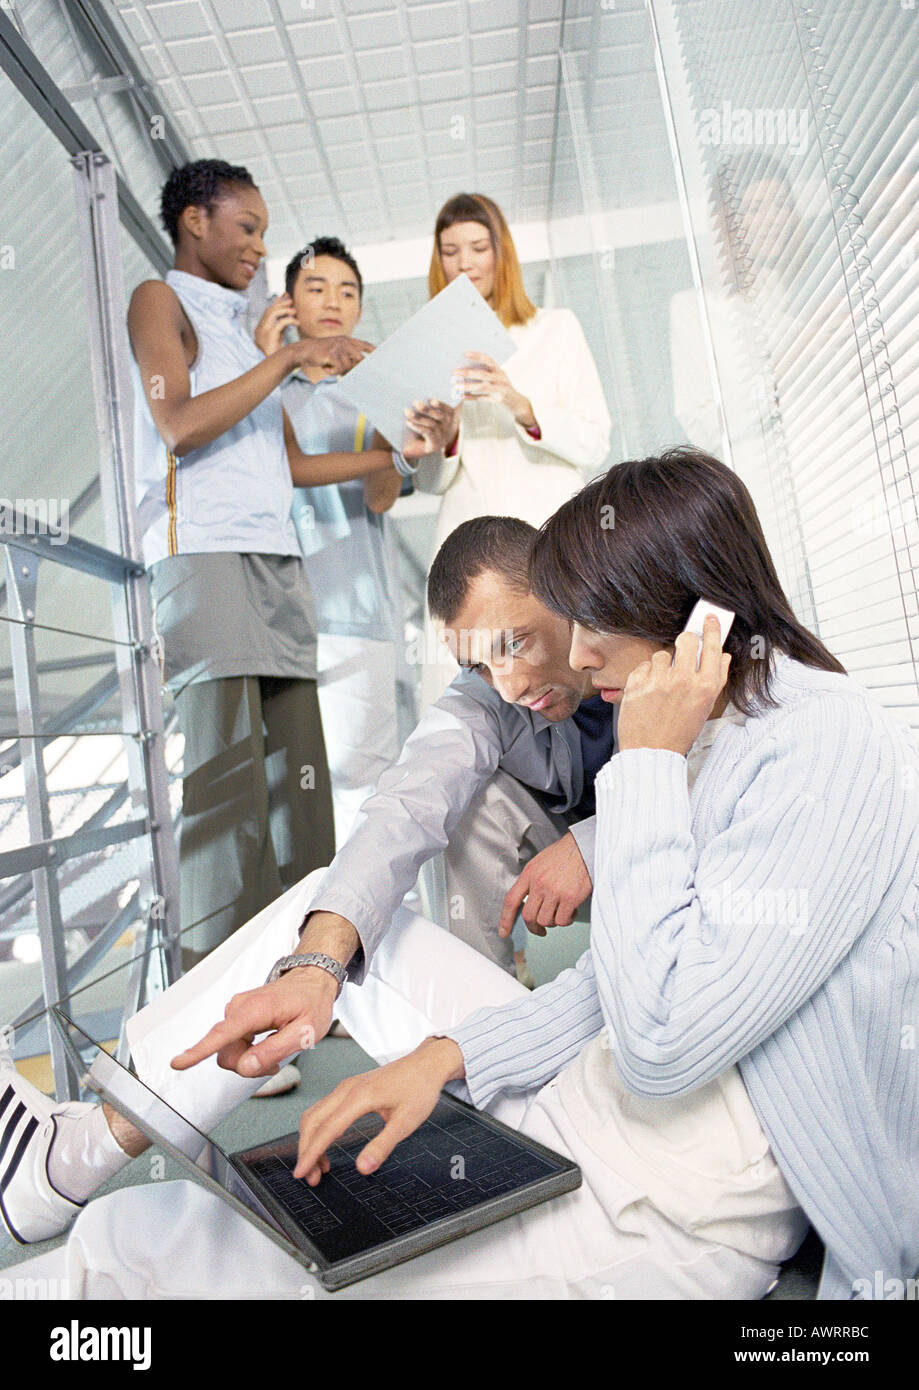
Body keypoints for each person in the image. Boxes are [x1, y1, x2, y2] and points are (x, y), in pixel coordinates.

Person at [14, 446, 914, 1298]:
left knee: (257, 1264)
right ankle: (84, 1155)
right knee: (317, 945)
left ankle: (78, 1238)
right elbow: (419, 818)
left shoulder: (796, 742)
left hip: (660, 1193)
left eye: (573, 625)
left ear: (694, 615)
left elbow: (660, 1039)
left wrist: (638, 771)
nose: (564, 660)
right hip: (594, 1100)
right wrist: (435, 1051)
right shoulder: (716, 722)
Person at [128, 160, 401, 969]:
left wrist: (393, 444)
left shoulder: (248, 327)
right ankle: (216, 1000)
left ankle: (298, 975)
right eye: (245, 228)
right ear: (193, 222)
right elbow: (175, 424)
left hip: (278, 557)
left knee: (297, 793)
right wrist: (284, 360)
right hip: (203, 556)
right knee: (226, 792)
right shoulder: (160, 299)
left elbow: (287, 463)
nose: (258, 246)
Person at [410, 192, 612, 704]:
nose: (465, 262)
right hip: (466, 532)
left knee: (569, 671)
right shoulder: (431, 348)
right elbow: (430, 483)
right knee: (482, 691)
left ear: (501, 252)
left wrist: (518, 402)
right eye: (450, 251)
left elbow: (593, 440)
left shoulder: (555, 328)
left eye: (478, 247)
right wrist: (446, 436)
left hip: (546, 529)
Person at [253, 236, 414, 845]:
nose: (333, 302)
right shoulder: (261, 389)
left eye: (347, 291)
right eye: (316, 287)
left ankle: (366, 937)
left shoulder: (374, 395)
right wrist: (266, 362)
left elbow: (379, 497)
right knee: (289, 801)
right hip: (276, 617)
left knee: (364, 789)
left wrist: (390, 431)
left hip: (357, 614)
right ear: (289, 301)